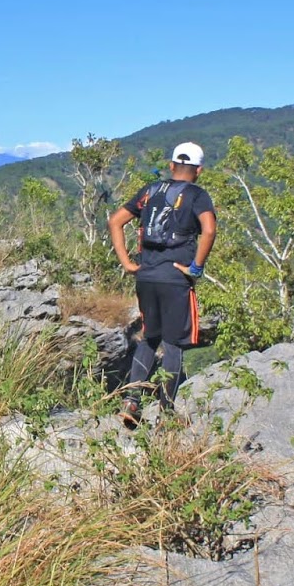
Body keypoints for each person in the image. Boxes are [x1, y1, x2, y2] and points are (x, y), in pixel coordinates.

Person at [106, 142, 217, 428]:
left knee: (149, 337)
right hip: (175, 279)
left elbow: (115, 221)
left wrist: (127, 263)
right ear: (199, 170)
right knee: (174, 343)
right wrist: (196, 268)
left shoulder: (150, 191)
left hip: (146, 277)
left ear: (171, 166)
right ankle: (167, 412)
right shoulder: (197, 195)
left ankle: (131, 401)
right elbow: (209, 229)